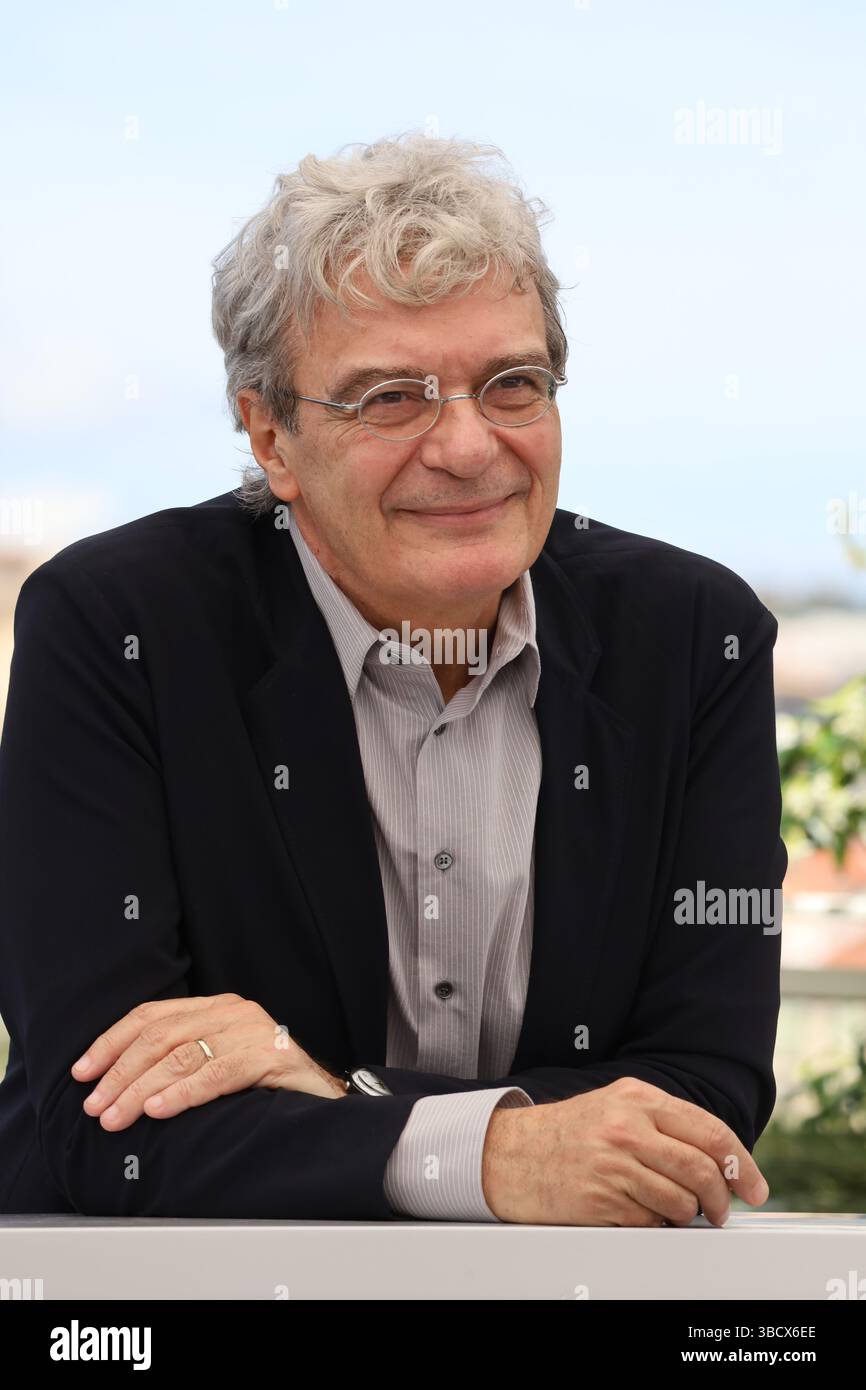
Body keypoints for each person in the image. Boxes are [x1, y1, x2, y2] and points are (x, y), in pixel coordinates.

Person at [0, 133, 784, 1224]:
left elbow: (702, 1091)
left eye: (511, 384)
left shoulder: (694, 636)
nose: (467, 447)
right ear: (270, 435)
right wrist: (499, 1155)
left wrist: (335, 1094)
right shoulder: (117, 622)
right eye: (388, 400)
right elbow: (100, 1115)